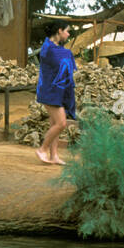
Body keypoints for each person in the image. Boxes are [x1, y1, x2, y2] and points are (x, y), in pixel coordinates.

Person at [34, 19, 77, 165]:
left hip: (55, 91)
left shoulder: (53, 47)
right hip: (49, 91)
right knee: (61, 123)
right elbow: (62, 59)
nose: (68, 34)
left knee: (54, 124)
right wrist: (68, 56)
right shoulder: (49, 48)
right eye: (67, 31)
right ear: (60, 31)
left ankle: (54, 155)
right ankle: (42, 149)